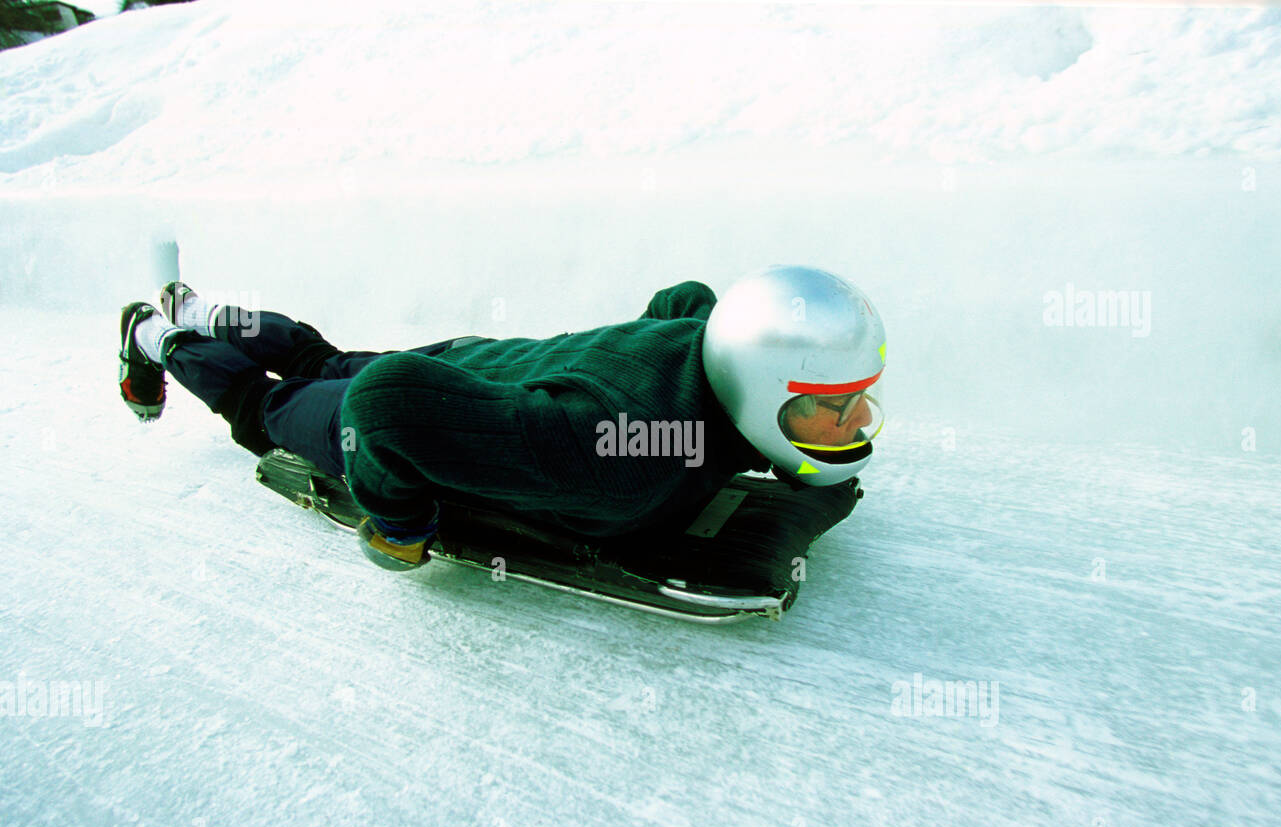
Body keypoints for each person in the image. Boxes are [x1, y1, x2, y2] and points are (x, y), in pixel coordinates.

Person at [117, 265, 886, 570]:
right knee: (268, 404)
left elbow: (682, 300)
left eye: (857, 395)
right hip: (411, 413)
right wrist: (399, 525)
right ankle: (161, 335)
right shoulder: (622, 466)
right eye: (830, 404)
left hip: (478, 365)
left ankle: (208, 309)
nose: (856, 418)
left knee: (323, 356)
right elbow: (386, 406)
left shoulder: (707, 338)